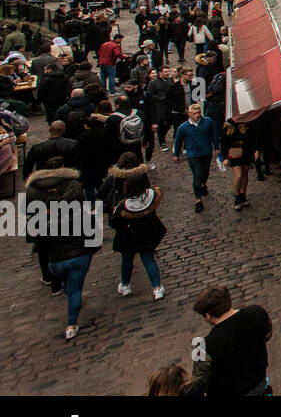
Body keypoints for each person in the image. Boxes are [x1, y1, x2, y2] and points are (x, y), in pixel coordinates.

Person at [27, 160, 97, 338]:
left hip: (55, 258)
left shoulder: (34, 191)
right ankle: (71, 325)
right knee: (74, 289)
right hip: (77, 253)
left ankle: (66, 295)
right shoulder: (74, 192)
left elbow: (33, 233)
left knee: (70, 286)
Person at [191, 286, 273, 395]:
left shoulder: (203, 346)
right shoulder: (257, 312)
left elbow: (199, 381)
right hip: (259, 383)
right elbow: (267, 334)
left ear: (208, 315)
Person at [107, 159, 167, 300]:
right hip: (147, 234)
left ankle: (126, 285)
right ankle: (157, 288)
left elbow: (113, 222)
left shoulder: (124, 206)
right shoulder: (151, 196)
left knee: (127, 260)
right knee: (149, 260)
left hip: (128, 235)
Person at [173, 102, 219, 213]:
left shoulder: (208, 122)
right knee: (197, 175)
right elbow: (178, 141)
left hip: (206, 152)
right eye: (194, 113)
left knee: (205, 172)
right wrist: (176, 154)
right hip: (193, 155)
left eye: (199, 113)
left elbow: (214, 135)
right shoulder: (183, 127)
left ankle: (203, 184)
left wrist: (216, 147)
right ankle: (198, 200)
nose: (197, 115)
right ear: (189, 114)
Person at [220, 117, 255, 211]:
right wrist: (224, 157)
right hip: (234, 152)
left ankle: (243, 194)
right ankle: (237, 196)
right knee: (238, 175)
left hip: (246, 152)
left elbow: (252, 139)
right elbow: (223, 143)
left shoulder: (246, 122)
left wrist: (255, 151)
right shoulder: (228, 125)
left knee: (245, 174)